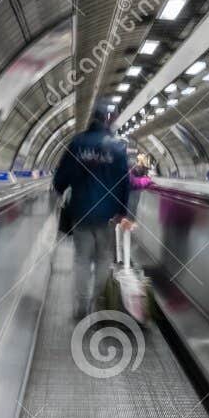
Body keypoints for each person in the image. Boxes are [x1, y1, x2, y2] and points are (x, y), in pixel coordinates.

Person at [52, 106, 132, 319]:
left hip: (81, 211)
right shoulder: (117, 147)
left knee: (81, 259)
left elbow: (61, 176)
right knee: (104, 259)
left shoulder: (78, 143)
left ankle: (82, 304)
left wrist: (60, 189)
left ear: (92, 118)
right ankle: (98, 301)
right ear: (107, 120)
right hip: (108, 215)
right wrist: (123, 211)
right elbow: (125, 182)